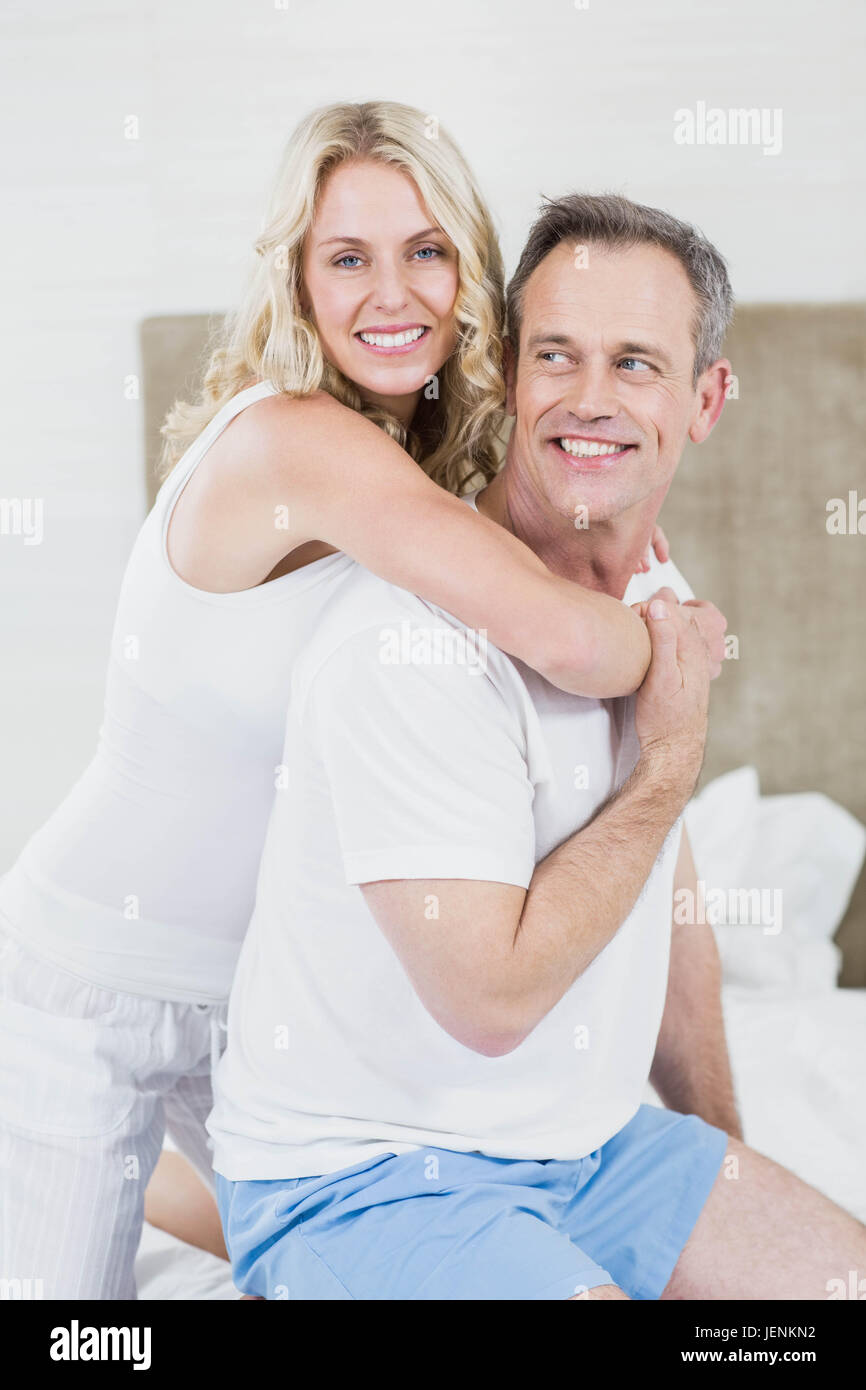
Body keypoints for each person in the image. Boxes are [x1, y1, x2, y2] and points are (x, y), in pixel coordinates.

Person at [0, 104, 675, 1301]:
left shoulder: (427, 474)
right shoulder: (293, 443)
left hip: (252, 1003)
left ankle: (153, 1180)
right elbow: (573, 641)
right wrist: (677, 639)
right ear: (297, 281)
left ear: (467, 267)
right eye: (346, 258)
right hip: (91, 980)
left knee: (344, 1238)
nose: (391, 292)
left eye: (423, 250)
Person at [209, 193, 866, 1300]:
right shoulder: (403, 644)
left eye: (634, 364)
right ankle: (258, 1239)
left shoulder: (644, 592)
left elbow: (667, 901)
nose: (589, 401)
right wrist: (666, 769)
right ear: (509, 375)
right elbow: (491, 1001)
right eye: (554, 356)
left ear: (706, 398)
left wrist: (719, 1164)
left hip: (592, 1154)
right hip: (371, 1178)